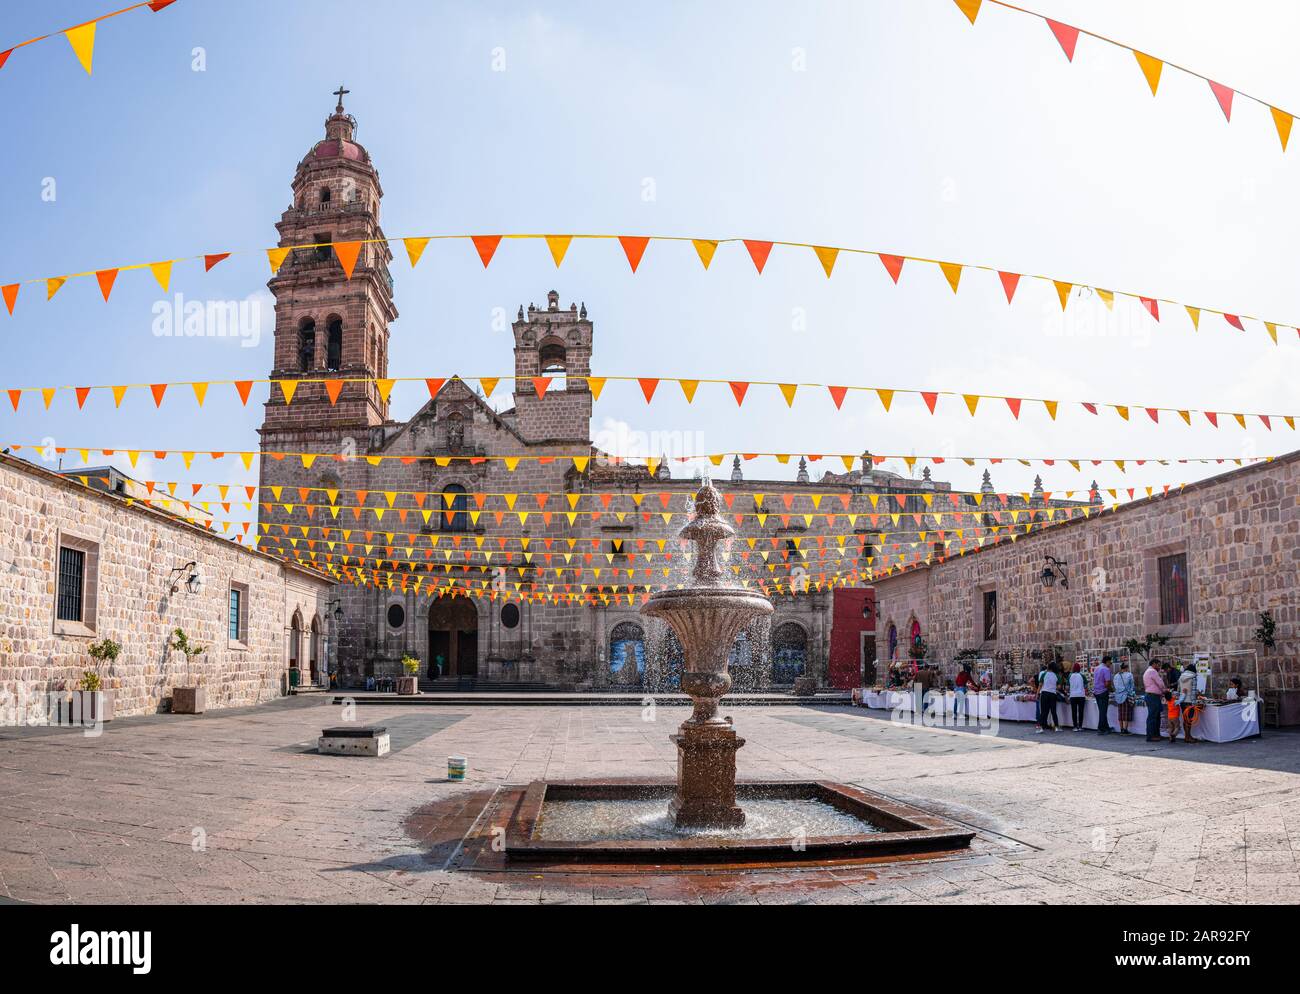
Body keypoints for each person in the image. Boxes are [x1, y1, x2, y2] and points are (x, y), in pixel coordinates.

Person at [1142, 659, 1168, 742]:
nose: (1159, 667)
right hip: (1153, 696)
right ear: (1154, 664)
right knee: (1153, 717)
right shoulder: (1152, 671)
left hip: (1151, 695)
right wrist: (1165, 690)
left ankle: (1156, 734)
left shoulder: (1148, 671)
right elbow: (1160, 682)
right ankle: (1151, 736)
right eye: (1158, 665)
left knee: (1155, 716)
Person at [1176, 662, 1200, 743]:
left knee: (1185, 719)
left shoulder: (1180, 677)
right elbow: (1193, 692)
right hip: (1190, 701)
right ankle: (1188, 737)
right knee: (1189, 720)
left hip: (1183, 701)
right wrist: (1194, 703)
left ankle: (1187, 736)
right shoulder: (1193, 677)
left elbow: (1178, 691)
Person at [1037, 662, 1061, 733]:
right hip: (1053, 694)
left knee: (1044, 711)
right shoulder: (1056, 675)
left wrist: (1037, 694)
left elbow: (1040, 685)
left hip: (1044, 693)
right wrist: (1054, 687)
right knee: (1053, 711)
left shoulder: (1044, 674)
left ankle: (1041, 727)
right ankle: (1056, 727)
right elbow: (1059, 686)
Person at [1112, 660, 1135, 734]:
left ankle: (1121, 729)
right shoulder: (1129, 675)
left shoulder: (1116, 676)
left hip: (1118, 695)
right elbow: (1132, 686)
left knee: (1120, 712)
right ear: (1126, 668)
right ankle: (1125, 729)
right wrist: (1130, 691)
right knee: (1126, 712)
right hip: (1125, 695)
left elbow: (1115, 686)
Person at [1093, 655, 1114, 735]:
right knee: (1103, 711)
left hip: (1096, 691)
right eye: (1110, 662)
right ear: (1107, 661)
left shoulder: (1097, 668)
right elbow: (1107, 683)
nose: (1110, 664)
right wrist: (1111, 689)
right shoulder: (1106, 669)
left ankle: (1106, 727)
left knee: (1102, 711)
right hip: (1103, 692)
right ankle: (1101, 728)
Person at [1068, 663, 1087, 731]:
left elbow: (1067, 687)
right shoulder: (1082, 675)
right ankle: (1080, 726)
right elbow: (1086, 686)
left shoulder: (1070, 675)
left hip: (1073, 695)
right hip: (1081, 695)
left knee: (1074, 711)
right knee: (1081, 711)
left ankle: (1075, 727)